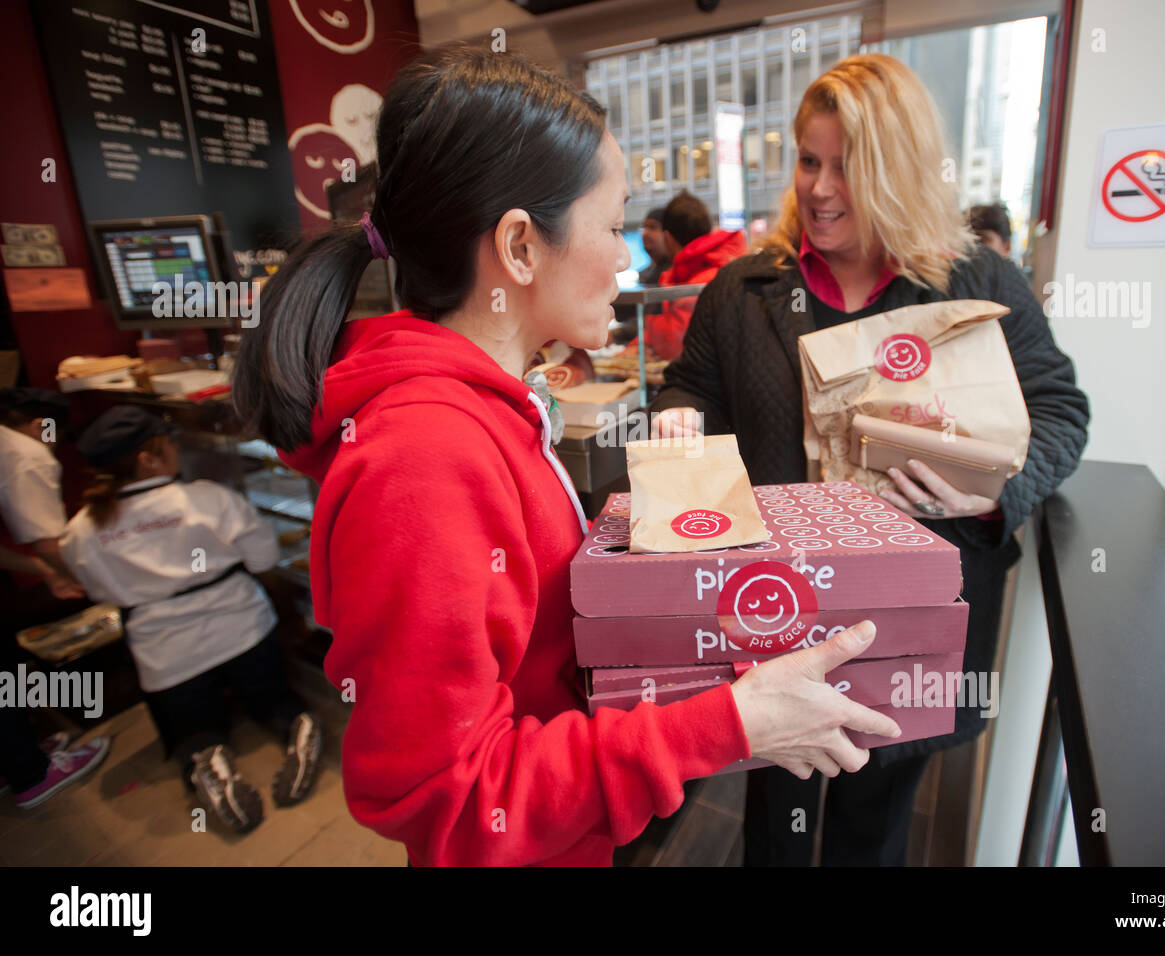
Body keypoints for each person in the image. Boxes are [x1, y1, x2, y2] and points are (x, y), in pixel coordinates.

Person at [231, 42, 905, 867]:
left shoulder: (493, 408)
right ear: (520, 248)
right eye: (614, 225)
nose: (626, 257)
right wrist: (725, 725)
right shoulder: (424, 459)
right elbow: (447, 797)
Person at [652, 53, 1090, 866]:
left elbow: (1061, 411)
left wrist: (993, 498)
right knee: (775, 815)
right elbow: (689, 388)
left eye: (847, 168)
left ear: (901, 171)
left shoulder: (977, 281)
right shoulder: (743, 288)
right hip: (777, 610)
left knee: (874, 824)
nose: (818, 188)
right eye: (809, 161)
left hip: (916, 612)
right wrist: (679, 420)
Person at [58, 405, 322, 833]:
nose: (177, 447)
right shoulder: (207, 499)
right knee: (272, 700)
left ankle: (208, 760)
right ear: (147, 457)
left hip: (165, 652)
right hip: (241, 628)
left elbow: (103, 594)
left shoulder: (80, 532)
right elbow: (264, 558)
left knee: (194, 730)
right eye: (169, 442)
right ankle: (298, 727)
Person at [0, 387, 110, 809]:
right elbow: (49, 543)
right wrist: (77, 576)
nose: (53, 441)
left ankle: (22, 751)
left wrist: (46, 572)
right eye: (53, 432)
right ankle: (30, 773)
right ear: (37, 425)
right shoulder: (27, 454)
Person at [644, 191, 748, 361]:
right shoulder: (723, 264)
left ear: (668, 238)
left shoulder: (697, 283)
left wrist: (648, 328)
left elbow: (674, 345)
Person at [638, 206, 672, 286]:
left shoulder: (676, 274)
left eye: (652, 227)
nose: (645, 233)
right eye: (644, 227)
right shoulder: (644, 275)